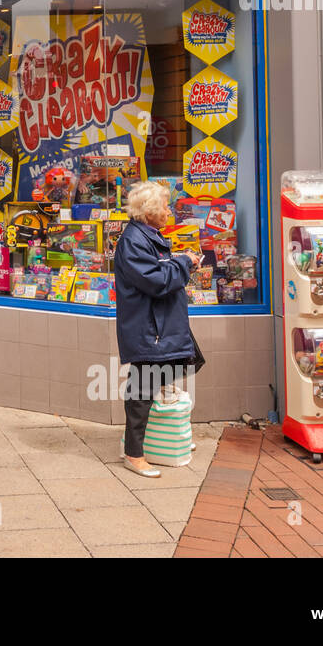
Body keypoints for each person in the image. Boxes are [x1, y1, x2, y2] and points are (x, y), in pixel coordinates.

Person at [112, 179, 201, 479]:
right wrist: (185, 263)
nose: (168, 211)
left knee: (181, 365)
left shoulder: (147, 236)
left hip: (159, 326)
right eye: (164, 206)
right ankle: (134, 455)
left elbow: (159, 271)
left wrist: (182, 263)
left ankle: (165, 437)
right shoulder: (135, 239)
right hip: (149, 328)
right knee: (141, 391)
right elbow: (155, 280)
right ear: (149, 210)